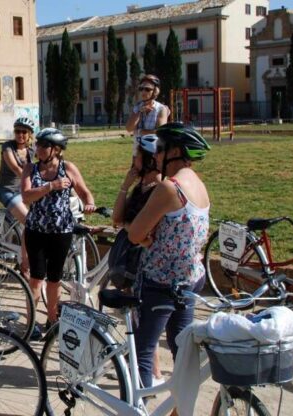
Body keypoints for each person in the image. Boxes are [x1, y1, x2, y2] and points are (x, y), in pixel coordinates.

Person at [127, 123, 211, 390]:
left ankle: (138, 406)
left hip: (161, 281)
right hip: (190, 279)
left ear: (175, 151)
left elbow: (135, 233)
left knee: (142, 349)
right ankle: (181, 408)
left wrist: (149, 241)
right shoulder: (199, 185)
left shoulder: (169, 188)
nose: (157, 157)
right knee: (182, 352)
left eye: (161, 150)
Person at [21, 128, 95, 340]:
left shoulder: (68, 168)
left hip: (61, 231)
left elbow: (84, 191)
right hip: (36, 231)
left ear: (56, 149)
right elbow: (26, 196)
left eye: (44, 145)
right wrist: (50, 186)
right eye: (38, 144)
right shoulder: (30, 169)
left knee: (54, 279)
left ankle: (52, 321)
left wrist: (89, 202)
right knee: (36, 279)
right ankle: (31, 324)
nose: (39, 148)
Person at [111, 133, 165, 384]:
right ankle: (148, 370)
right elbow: (117, 218)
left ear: (151, 159)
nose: (133, 160)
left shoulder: (160, 189)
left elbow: (148, 231)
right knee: (137, 318)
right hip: (132, 258)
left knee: (144, 322)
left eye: (138, 156)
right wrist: (125, 185)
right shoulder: (140, 187)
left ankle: (151, 374)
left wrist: (134, 230)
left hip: (147, 260)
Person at [0, 117, 36, 277]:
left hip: (25, 190)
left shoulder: (32, 150)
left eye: (24, 132)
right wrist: (34, 184)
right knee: (30, 222)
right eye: (17, 131)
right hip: (7, 190)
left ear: (29, 134)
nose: (20, 135)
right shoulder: (8, 147)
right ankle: (25, 264)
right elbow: (16, 168)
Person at [126, 74, 170, 156]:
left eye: (147, 89)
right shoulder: (137, 107)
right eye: (141, 88)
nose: (143, 92)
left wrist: (139, 131)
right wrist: (139, 112)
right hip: (137, 152)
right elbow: (129, 128)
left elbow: (160, 132)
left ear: (155, 91)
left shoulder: (161, 109)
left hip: (154, 152)